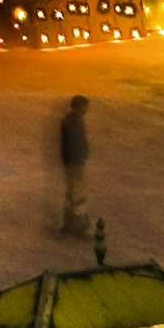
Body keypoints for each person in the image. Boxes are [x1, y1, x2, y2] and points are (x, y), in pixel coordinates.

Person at [57, 94, 91, 237]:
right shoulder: (75, 122)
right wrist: (83, 155)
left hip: (70, 162)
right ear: (80, 106)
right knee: (78, 195)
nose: (87, 109)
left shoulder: (69, 120)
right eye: (85, 106)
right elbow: (77, 143)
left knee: (71, 194)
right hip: (75, 163)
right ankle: (78, 226)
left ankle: (68, 223)